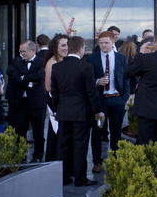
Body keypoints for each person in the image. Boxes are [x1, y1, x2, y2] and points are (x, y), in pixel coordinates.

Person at [50, 35, 104, 187]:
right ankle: (80, 178)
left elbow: (54, 92)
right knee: (80, 145)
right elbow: (91, 92)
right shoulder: (86, 67)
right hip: (81, 113)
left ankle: (64, 177)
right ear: (81, 50)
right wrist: (98, 111)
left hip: (63, 112)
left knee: (63, 145)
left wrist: (57, 109)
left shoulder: (57, 67)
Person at [90, 31, 130, 173]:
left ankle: (115, 159)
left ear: (113, 42)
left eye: (106, 42)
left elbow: (126, 78)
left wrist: (124, 98)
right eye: (101, 43)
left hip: (117, 100)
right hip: (100, 102)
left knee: (116, 132)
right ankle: (97, 161)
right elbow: (88, 79)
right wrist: (97, 81)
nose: (103, 45)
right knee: (98, 131)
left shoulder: (121, 58)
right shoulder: (92, 59)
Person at [6, 40, 46, 161]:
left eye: (24, 51)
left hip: (37, 102)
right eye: (20, 51)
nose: (21, 54)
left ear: (33, 50)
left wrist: (23, 77)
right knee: (20, 130)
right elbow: (14, 77)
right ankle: (21, 154)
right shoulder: (17, 61)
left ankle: (38, 155)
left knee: (38, 132)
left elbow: (40, 76)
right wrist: (29, 82)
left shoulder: (41, 61)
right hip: (20, 102)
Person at [44, 33, 68, 162]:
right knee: (56, 134)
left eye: (67, 45)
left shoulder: (63, 61)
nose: (66, 48)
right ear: (55, 47)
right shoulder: (52, 63)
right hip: (55, 103)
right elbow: (48, 87)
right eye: (63, 45)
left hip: (62, 102)